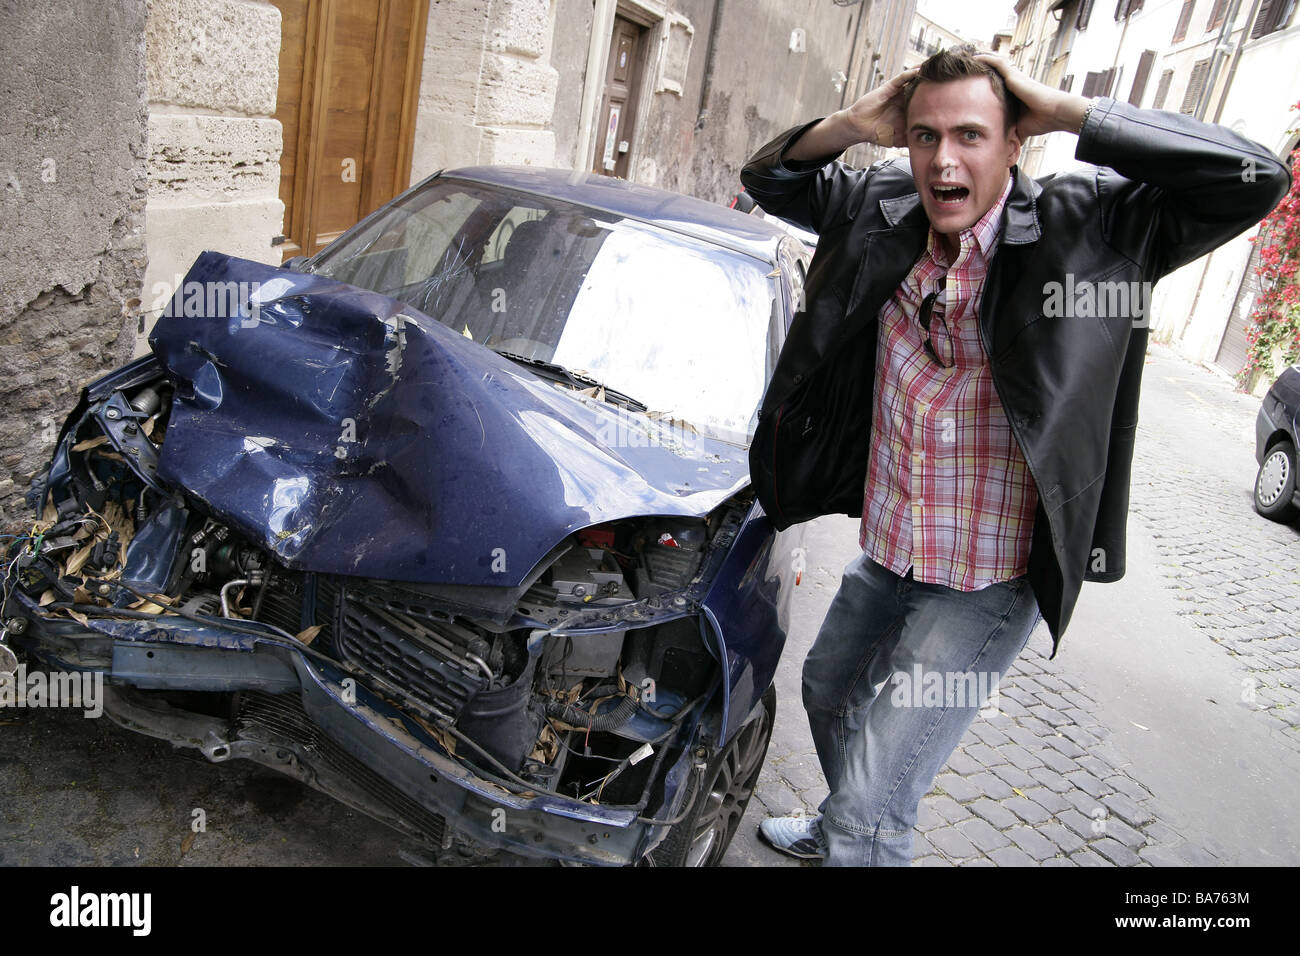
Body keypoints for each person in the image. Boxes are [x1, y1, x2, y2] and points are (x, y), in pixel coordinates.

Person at [739, 44, 1290, 866]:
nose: (943, 159)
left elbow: (1255, 178)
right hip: (892, 545)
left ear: (1015, 142)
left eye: (971, 134)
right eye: (924, 136)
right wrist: (857, 123)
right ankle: (844, 818)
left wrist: (1071, 109)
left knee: (873, 810)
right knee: (826, 689)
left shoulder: (1091, 229)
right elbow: (770, 180)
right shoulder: (878, 209)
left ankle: (858, 826)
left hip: (988, 577)